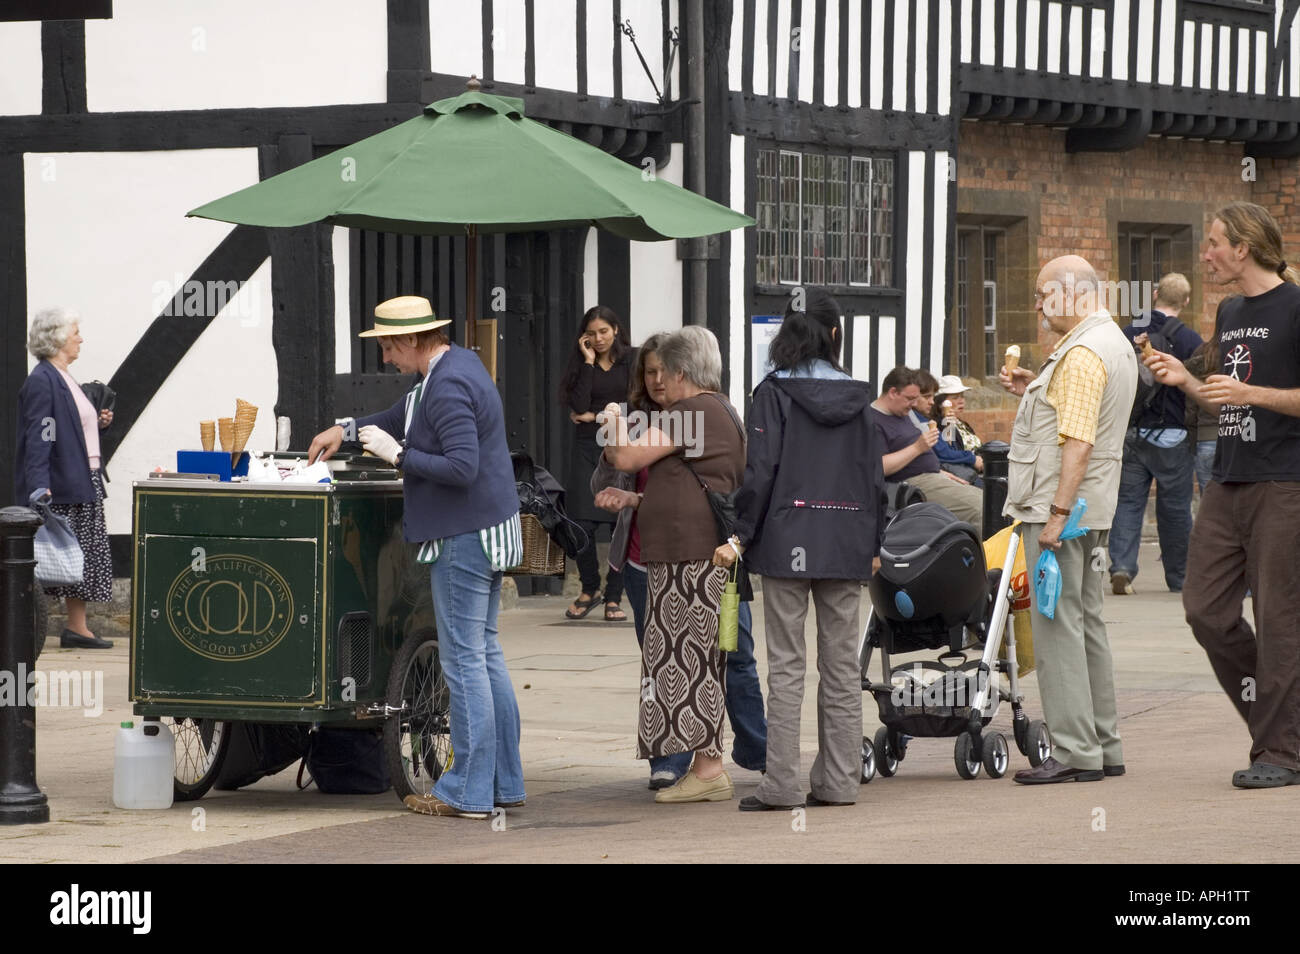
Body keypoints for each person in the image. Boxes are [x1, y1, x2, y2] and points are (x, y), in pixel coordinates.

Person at [308, 295, 524, 818]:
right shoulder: (457, 365)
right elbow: (401, 413)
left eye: (387, 346)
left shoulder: (447, 384)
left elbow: (460, 467)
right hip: (491, 530)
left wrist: (399, 455)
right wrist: (349, 428)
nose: (385, 358)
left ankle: (466, 792)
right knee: (486, 655)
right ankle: (503, 783)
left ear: (411, 339)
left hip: (463, 535)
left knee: (464, 661)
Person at [1144, 202, 1300, 789]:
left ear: (1246, 246)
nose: (1206, 254)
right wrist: (1185, 380)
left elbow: (1253, 394)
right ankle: (1280, 725)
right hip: (1228, 479)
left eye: (1214, 243)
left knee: (1280, 619)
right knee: (1204, 610)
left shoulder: (1296, 306)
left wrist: (1253, 393)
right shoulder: (1230, 309)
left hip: (1285, 482)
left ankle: (1281, 754)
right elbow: (1226, 398)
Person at [715, 289, 882, 811]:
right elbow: (873, 480)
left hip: (787, 539)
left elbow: (759, 472)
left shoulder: (772, 394)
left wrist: (741, 532)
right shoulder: (861, 399)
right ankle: (839, 782)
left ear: (786, 337)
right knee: (840, 667)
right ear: (835, 335)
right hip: (847, 539)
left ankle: (780, 785)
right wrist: (873, 542)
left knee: (786, 665)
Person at [591, 335, 767, 790]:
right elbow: (693, 485)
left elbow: (624, 455)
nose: (655, 382)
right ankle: (703, 767)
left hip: (692, 559)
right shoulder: (717, 410)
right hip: (694, 552)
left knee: (693, 662)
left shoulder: (692, 412)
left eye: (661, 372)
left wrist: (611, 423)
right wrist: (636, 498)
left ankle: (708, 771)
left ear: (681, 373)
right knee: (697, 660)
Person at [999, 255, 1136, 784]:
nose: (1036, 305)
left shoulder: (1081, 352)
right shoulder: (1111, 342)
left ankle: (1076, 752)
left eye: (1041, 294)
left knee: (1056, 625)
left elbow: (1078, 442)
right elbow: (1083, 421)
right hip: (1092, 508)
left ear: (1069, 293)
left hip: (1061, 509)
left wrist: (1055, 516)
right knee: (1088, 624)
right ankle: (1104, 743)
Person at [14, 308, 115, 650]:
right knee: (60, 557)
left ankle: (77, 627)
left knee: (81, 554)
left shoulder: (64, 377)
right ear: (56, 337)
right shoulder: (43, 380)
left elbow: (68, 425)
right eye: (75, 333)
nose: (80, 338)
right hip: (64, 481)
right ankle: (28, 627)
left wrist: (98, 422)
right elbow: (40, 436)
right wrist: (39, 487)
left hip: (83, 477)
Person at [1107, 273, 1203, 595]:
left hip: (1132, 432)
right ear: (1186, 301)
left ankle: (1121, 567)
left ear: (1156, 294)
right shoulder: (1190, 340)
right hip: (1173, 435)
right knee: (1175, 509)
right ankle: (1180, 578)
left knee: (1128, 503)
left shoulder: (1129, 331)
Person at [557, 305, 633, 622]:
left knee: (620, 524)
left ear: (615, 329)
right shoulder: (581, 364)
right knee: (581, 523)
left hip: (623, 446)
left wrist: (598, 415)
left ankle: (614, 597)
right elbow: (578, 404)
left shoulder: (632, 360)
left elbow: (640, 403)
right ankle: (590, 588)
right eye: (591, 333)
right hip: (587, 447)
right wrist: (588, 363)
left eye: (604, 331)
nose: (599, 338)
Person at [871, 366, 984, 534]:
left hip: (933, 477)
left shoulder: (900, 413)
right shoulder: (873, 420)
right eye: (910, 398)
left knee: (993, 502)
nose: (913, 404)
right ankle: (988, 559)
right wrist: (918, 447)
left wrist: (940, 472)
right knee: (982, 510)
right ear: (893, 392)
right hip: (913, 484)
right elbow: (879, 467)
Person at [931, 374, 984, 485]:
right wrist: (973, 459)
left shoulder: (962, 423)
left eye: (962, 396)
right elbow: (948, 454)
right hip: (967, 475)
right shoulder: (940, 424)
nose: (961, 401)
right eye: (955, 398)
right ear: (941, 403)